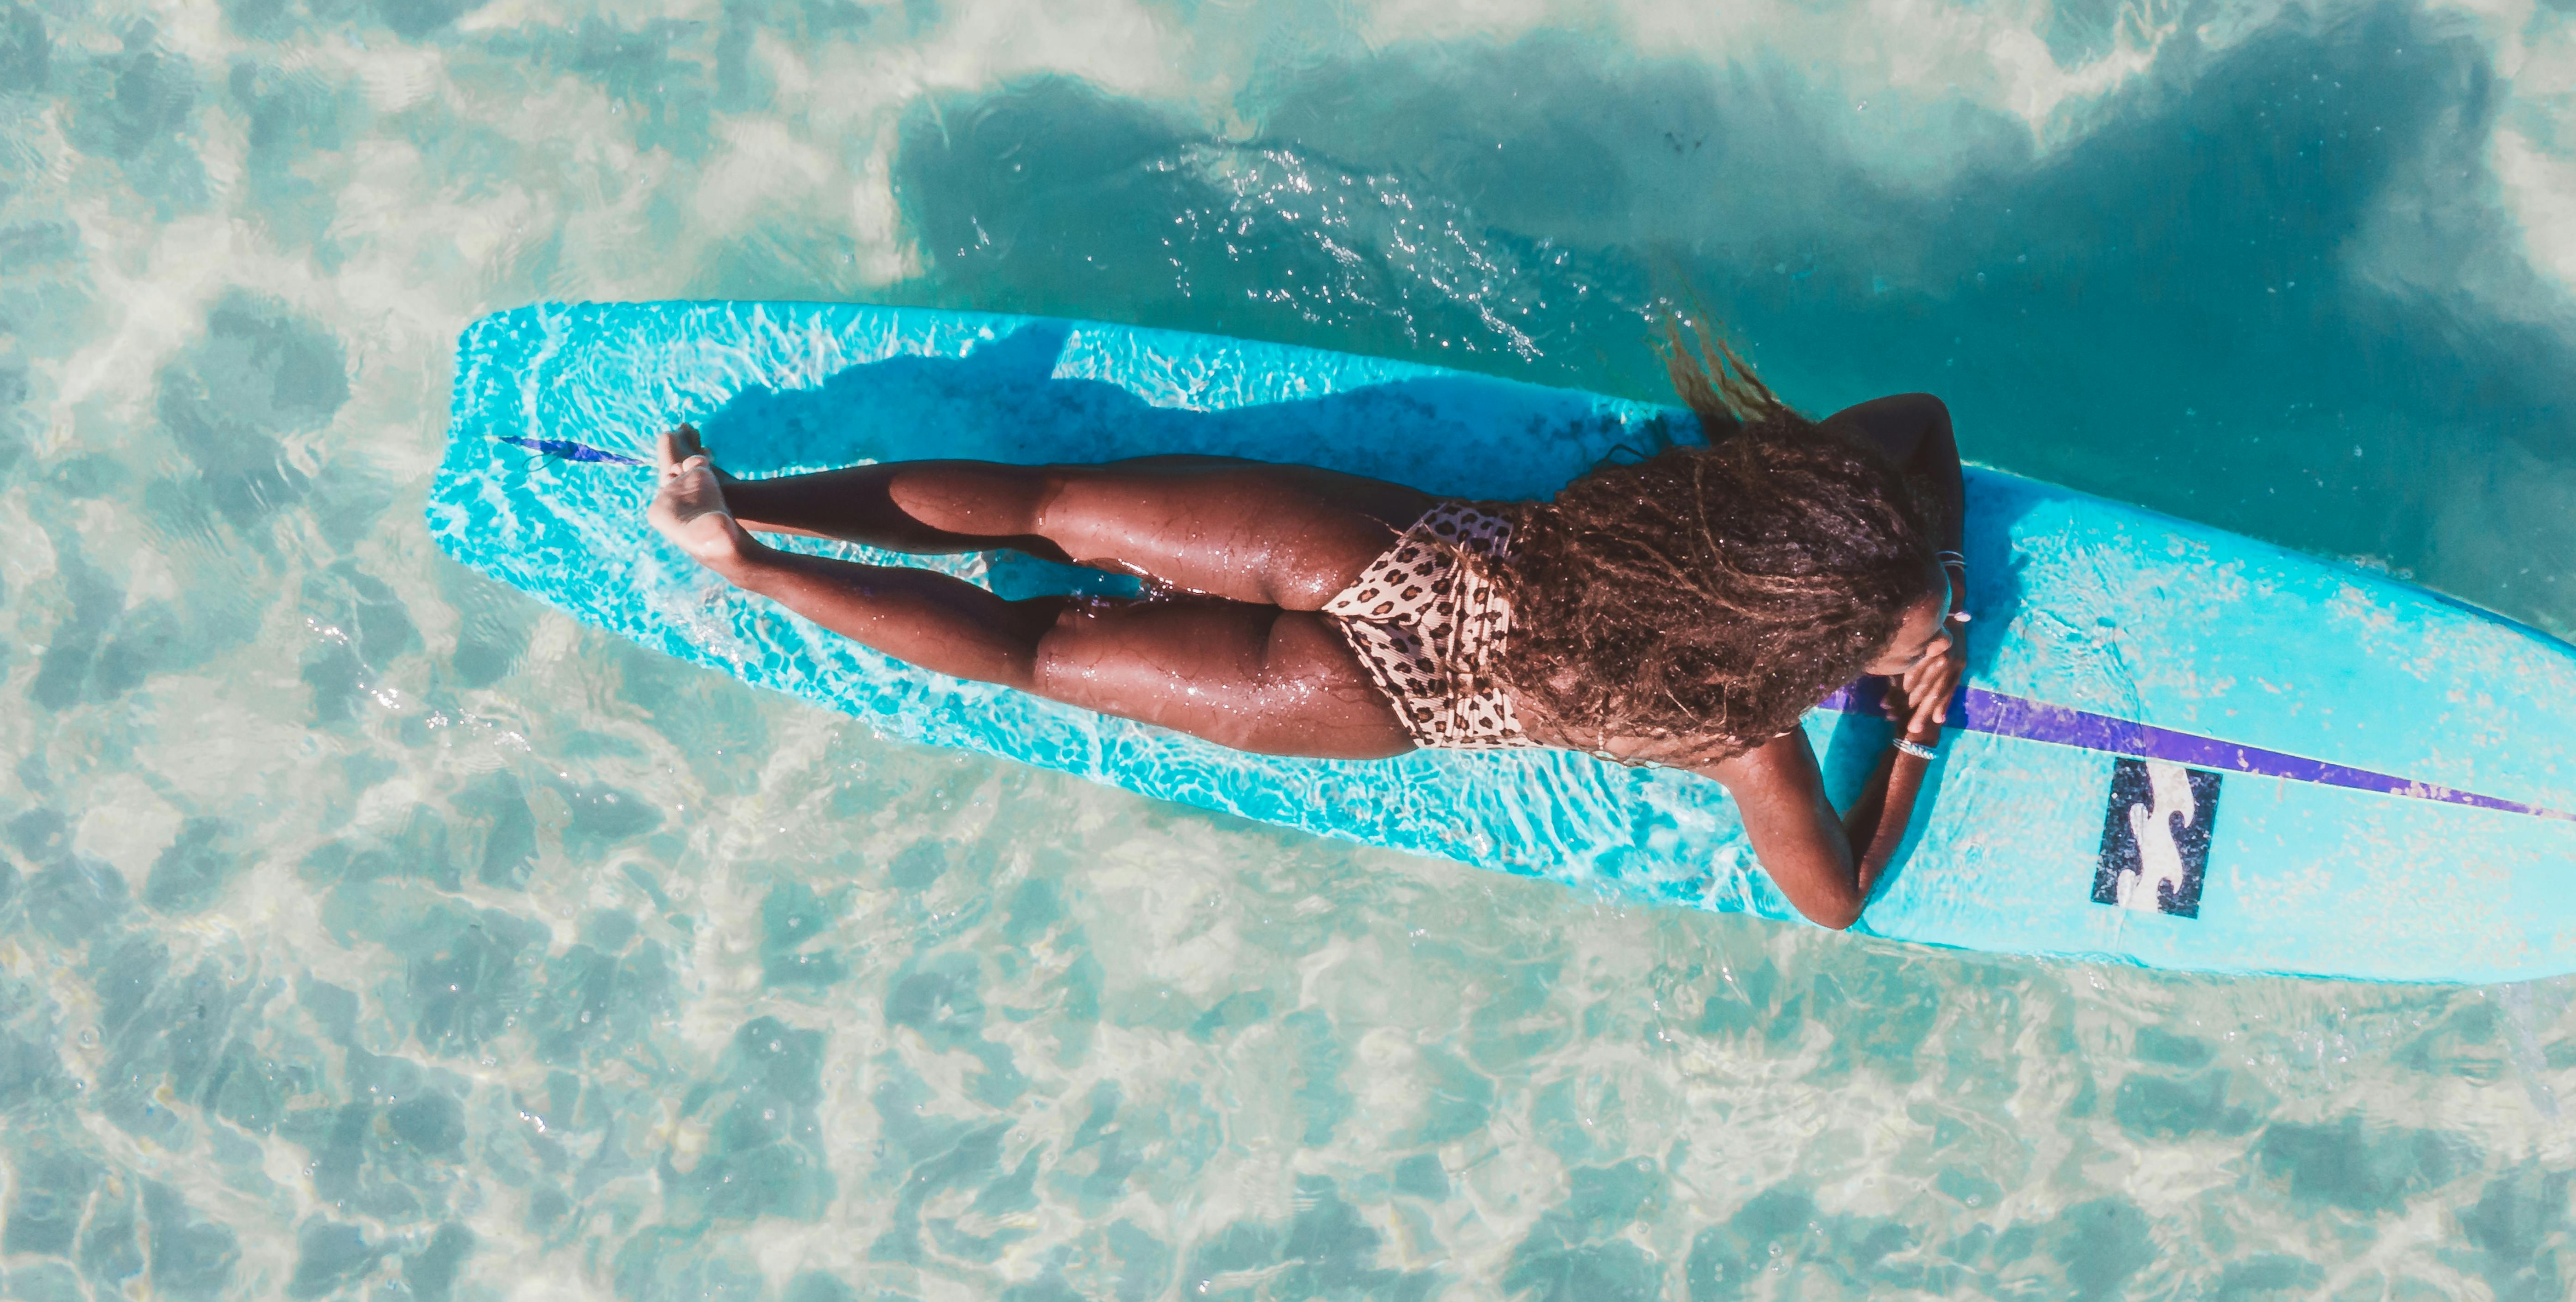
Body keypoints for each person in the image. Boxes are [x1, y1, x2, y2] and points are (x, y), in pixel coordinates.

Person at [645, 337, 1969, 928]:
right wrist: (1912, 736)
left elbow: (1920, 415)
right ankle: (751, 567)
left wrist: (1927, 566)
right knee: (1035, 654)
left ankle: (734, 498)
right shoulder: (1749, 736)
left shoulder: (1714, 514)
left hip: (1386, 551)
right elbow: (1835, 904)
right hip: (1377, 701)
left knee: (1052, 512)